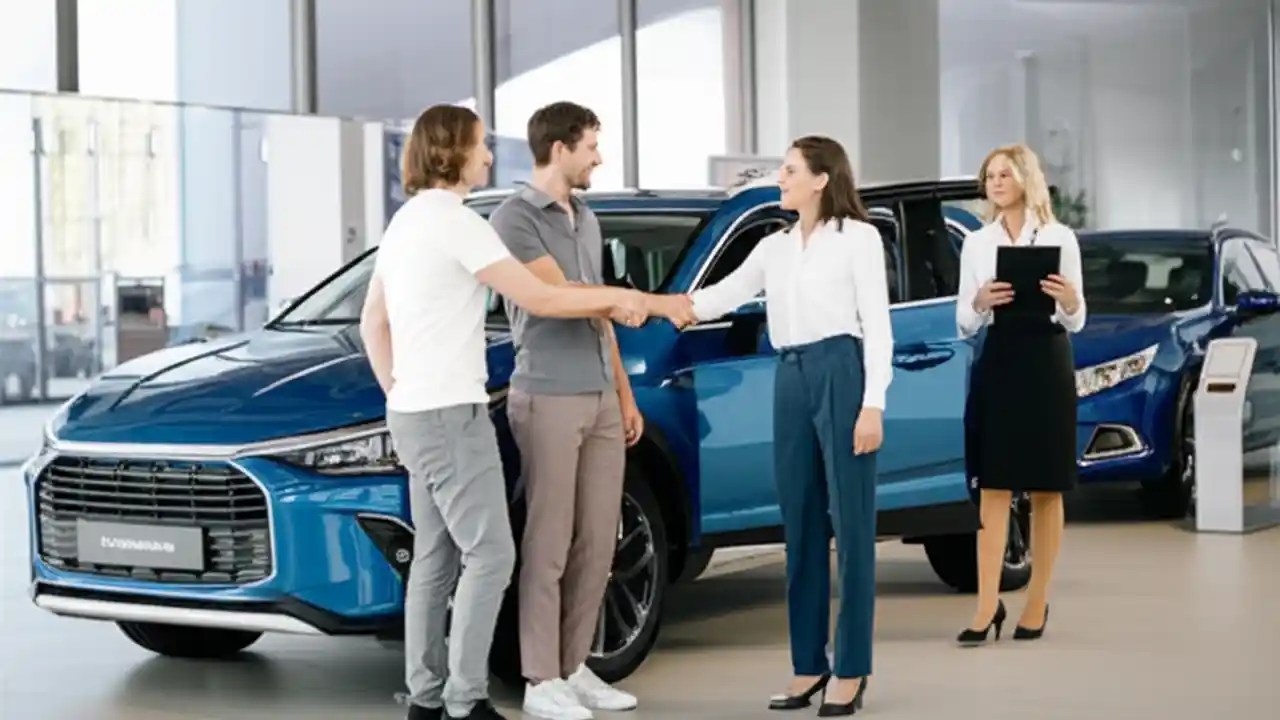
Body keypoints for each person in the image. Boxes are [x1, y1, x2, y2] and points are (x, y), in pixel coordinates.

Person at [359, 104, 662, 720]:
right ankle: (466, 700)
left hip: (415, 412)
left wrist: (399, 393)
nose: (489, 156)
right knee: (493, 554)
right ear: (453, 152)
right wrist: (627, 299)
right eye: (480, 145)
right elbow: (542, 298)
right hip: (451, 412)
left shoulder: (404, 221)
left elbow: (373, 324)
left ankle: (426, 700)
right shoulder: (458, 221)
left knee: (436, 560)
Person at [488, 101, 695, 720]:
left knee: (600, 540)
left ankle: (575, 665)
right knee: (549, 540)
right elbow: (558, 296)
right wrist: (647, 302)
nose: (598, 158)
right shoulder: (514, 217)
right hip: (548, 395)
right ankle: (540, 678)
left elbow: (599, 316)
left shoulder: (587, 218)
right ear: (559, 148)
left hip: (601, 396)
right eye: (591, 147)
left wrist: (623, 395)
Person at [685, 136, 893, 717]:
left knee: (852, 526)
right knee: (800, 524)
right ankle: (808, 665)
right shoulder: (773, 248)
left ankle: (851, 668)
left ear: (822, 178)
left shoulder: (859, 239)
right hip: (790, 375)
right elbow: (720, 297)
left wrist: (873, 404)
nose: (780, 177)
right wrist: (653, 307)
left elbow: (878, 326)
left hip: (841, 370)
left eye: (790, 169)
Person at [954, 143, 1085, 646]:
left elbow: (1077, 318)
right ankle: (986, 606)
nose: (995, 182)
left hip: (1047, 359)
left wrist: (1069, 299)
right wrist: (979, 301)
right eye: (990, 176)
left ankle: (1036, 601)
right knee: (994, 483)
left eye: (1004, 174)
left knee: (1047, 486)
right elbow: (964, 322)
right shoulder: (977, 242)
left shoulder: (1060, 237)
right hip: (1001, 358)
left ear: (1026, 178)